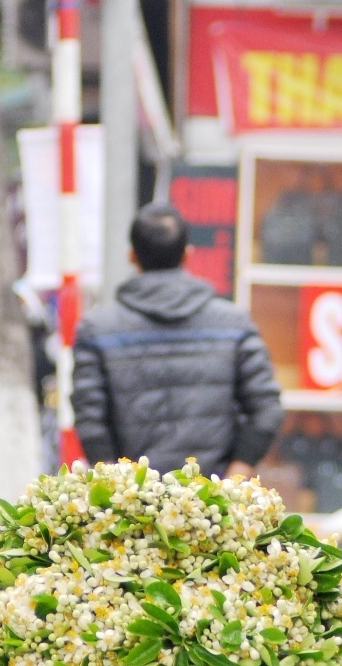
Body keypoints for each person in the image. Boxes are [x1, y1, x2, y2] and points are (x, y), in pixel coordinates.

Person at [71, 201, 284, 477]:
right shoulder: (234, 324)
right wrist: (232, 482)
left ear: (132, 256)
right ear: (187, 254)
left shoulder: (97, 330)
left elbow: (90, 420)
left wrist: (118, 489)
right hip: (213, 506)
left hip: (133, 508)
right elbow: (266, 410)